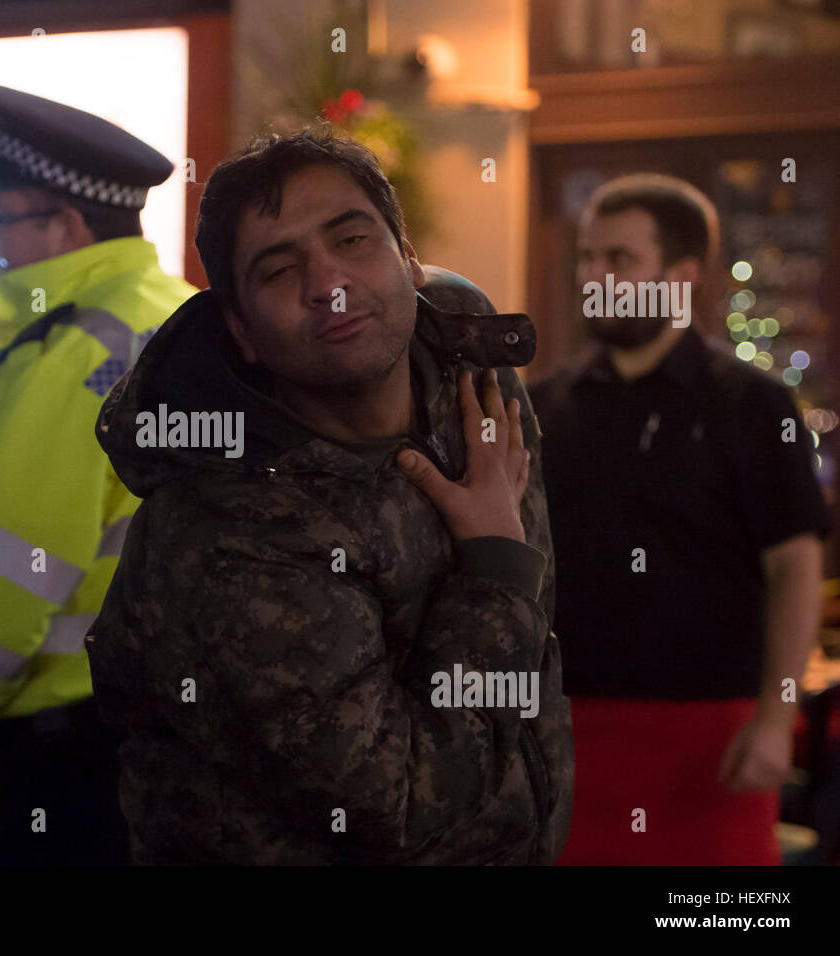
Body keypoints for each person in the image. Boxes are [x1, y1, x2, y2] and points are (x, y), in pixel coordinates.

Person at [84, 127, 574, 864]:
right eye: (280, 271)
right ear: (242, 332)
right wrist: (496, 569)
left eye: (352, 240)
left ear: (408, 258)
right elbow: (399, 805)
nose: (331, 285)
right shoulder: (228, 527)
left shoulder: (467, 364)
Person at [0, 87, 197, 865]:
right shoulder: (180, 317)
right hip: (183, 742)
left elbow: (5, 582)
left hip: (80, 762)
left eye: (2, 218)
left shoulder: (67, 355)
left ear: (66, 223)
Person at [530, 173, 828, 865]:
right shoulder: (543, 407)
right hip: (568, 732)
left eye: (619, 260)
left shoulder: (754, 407)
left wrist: (776, 719)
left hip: (715, 735)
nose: (594, 276)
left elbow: (796, 568)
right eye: (586, 258)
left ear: (683, 275)